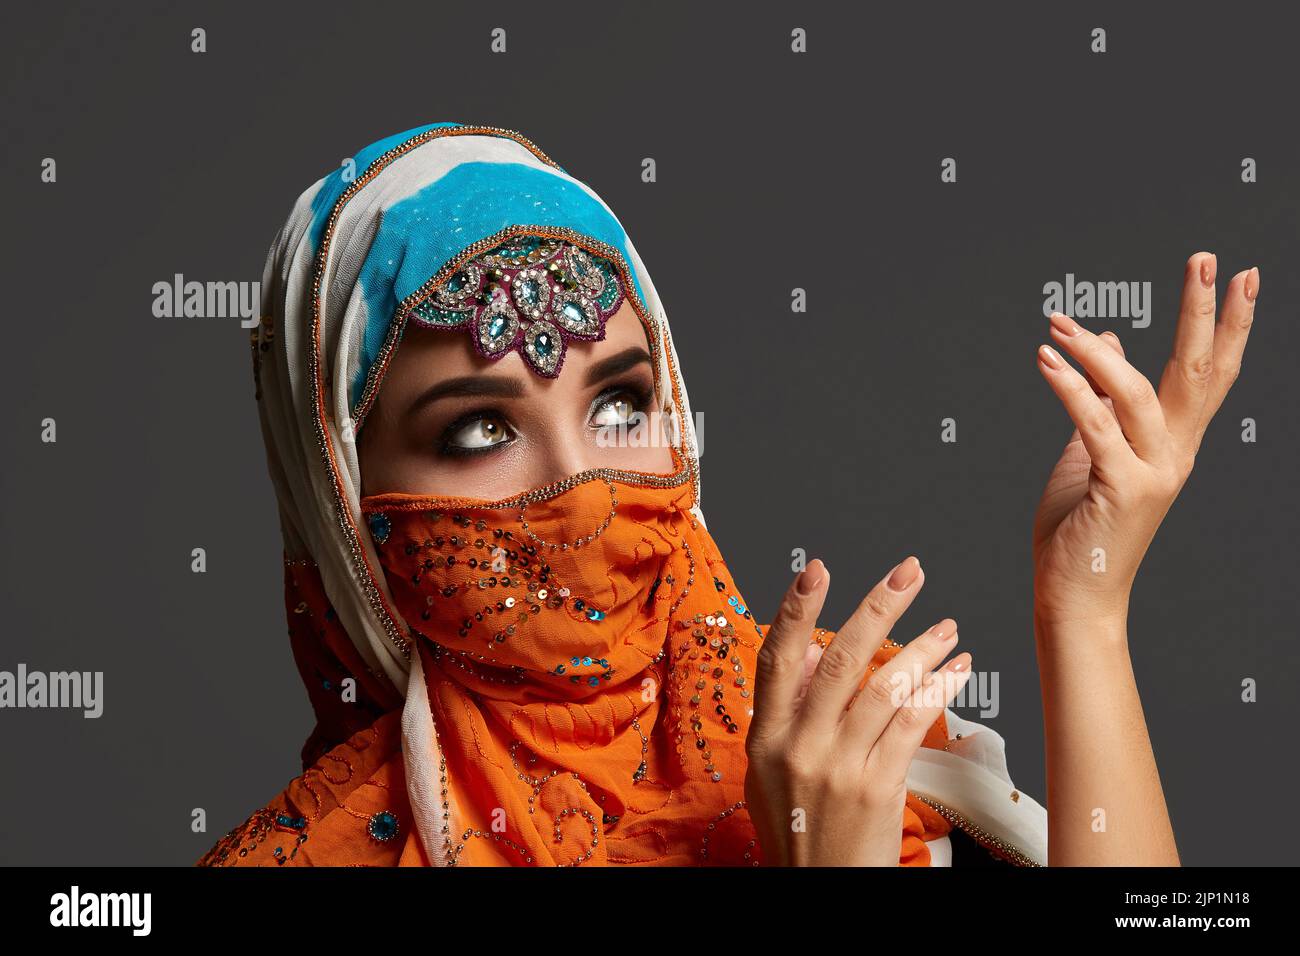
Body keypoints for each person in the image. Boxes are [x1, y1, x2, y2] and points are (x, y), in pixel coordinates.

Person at [198, 122, 1255, 867]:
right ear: (342, 497)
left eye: (619, 405)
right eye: (479, 429)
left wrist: (1085, 608)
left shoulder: (836, 737)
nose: (584, 486)